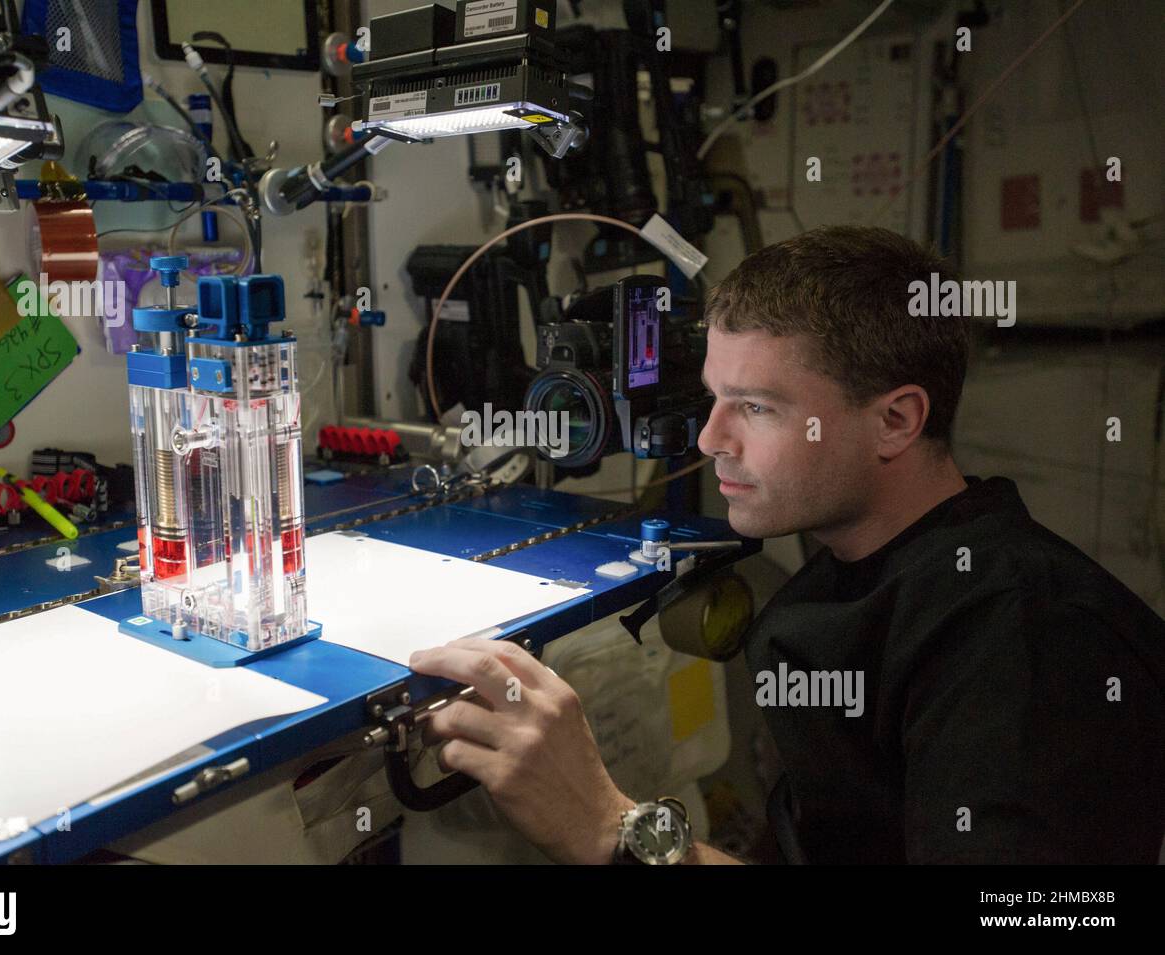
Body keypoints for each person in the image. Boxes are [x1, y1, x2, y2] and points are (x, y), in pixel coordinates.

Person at [409, 226, 1165, 864]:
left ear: (895, 421)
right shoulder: (858, 579)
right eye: (714, 397)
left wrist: (614, 829)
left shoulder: (1033, 640)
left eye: (757, 408)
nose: (710, 439)